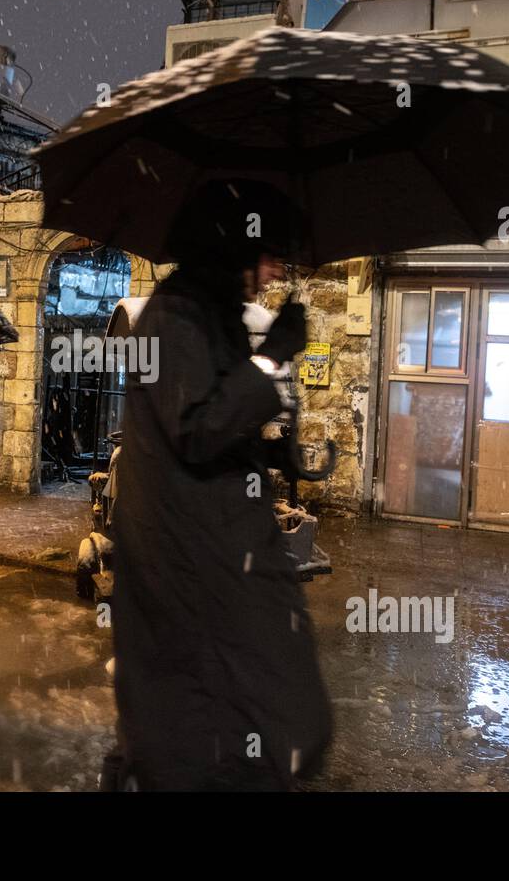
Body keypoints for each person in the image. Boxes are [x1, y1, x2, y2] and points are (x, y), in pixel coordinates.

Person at [108, 179, 332, 791]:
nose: (273, 269)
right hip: (188, 549)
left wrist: (273, 444)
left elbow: (220, 417)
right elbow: (197, 428)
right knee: (207, 702)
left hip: (214, 539)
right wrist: (272, 359)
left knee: (241, 695)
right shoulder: (175, 314)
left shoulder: (210, 313)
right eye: (267, 254)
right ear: (234, 248)